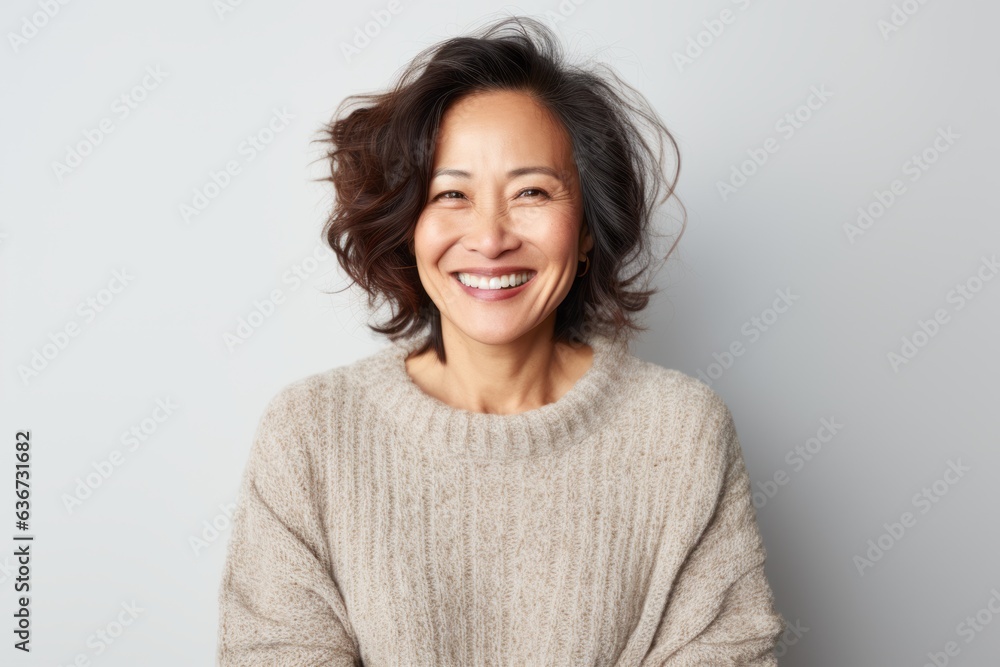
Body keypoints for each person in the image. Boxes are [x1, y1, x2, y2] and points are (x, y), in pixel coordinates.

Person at [217, 15, 786, 666]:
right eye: (451, 193)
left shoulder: (684, 434)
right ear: (409, 225)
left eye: (532, 192)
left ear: (589, 230)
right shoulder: (312, 435)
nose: (490, 237)